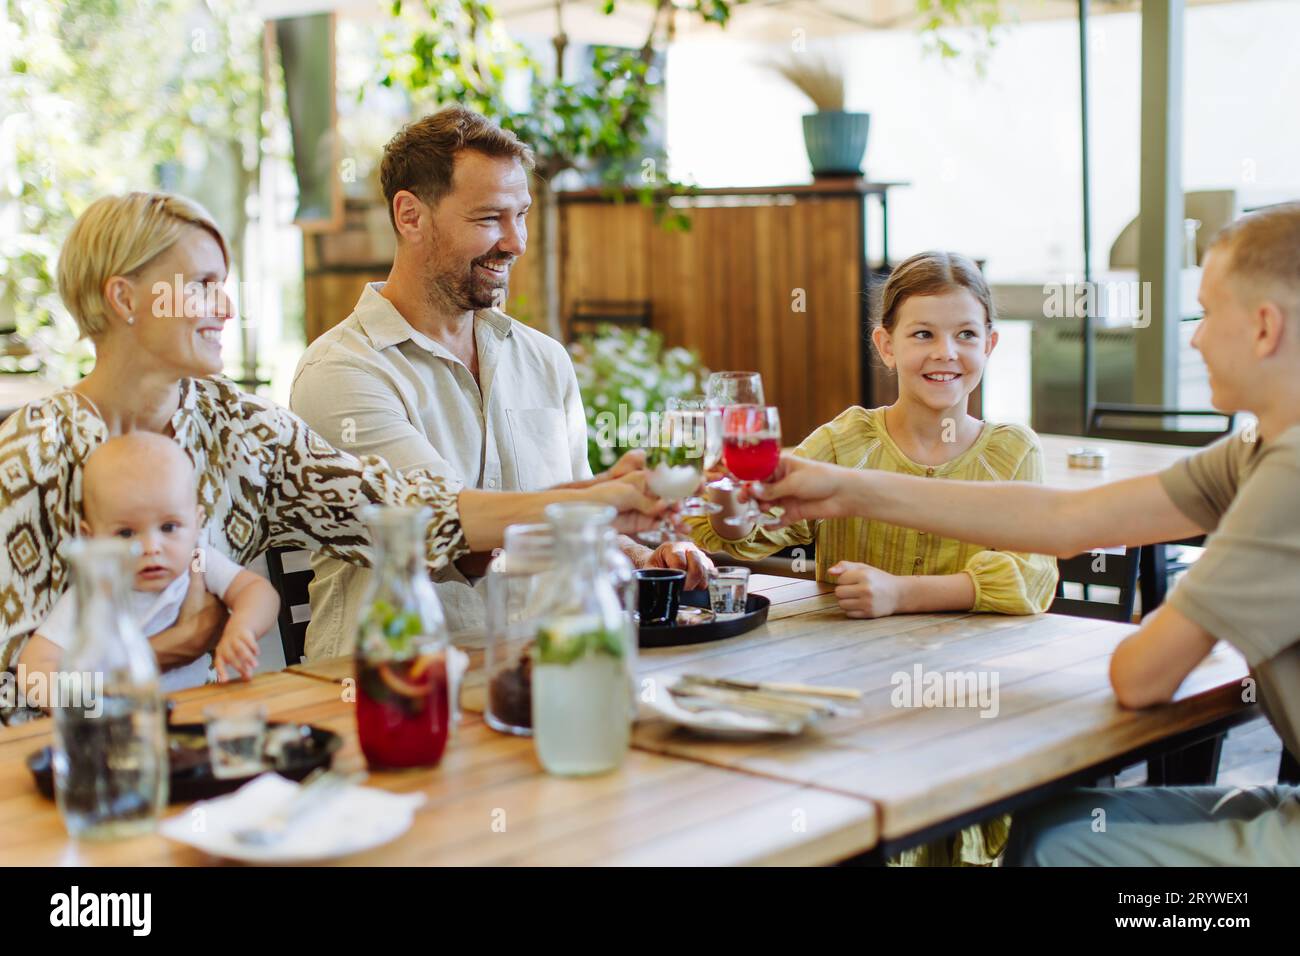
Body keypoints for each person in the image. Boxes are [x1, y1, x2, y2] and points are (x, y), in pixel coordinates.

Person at [752, 204, 1300, 865]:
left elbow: (1140, 675)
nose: (1194, 339)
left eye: (1208, 313)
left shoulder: (1288, 477)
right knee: (1050, 829)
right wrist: (846, 487)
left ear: (1265, 327)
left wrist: (1217, 590)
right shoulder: (1258, 451)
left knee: (1056, 845)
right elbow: (1065, 521)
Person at [0, 192, 664, 722]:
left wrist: (593, 500)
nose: (227, 308)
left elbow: (406, 512)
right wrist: (171, 649)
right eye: (203, 285)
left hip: (201, 747)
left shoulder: (242, 431)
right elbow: (14, 695)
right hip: (58, 775)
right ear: (124, 299)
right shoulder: (31, 453)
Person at [291, 106, 711, 655]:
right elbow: (451, 533)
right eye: (490, 219)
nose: (516, 242)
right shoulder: (343, 374)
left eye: (522, 215)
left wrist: (642, 555)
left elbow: (580, 530)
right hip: (395, 685)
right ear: (410, 216)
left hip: (540, 668)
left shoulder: (543, 360)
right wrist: (604, 497)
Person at [697, 251, 1057, 867]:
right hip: (848, 693)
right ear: (886, 346)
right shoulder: (846, 442)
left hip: (964, 699)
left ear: (990, 344)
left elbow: (1033, 576)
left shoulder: (1011, 450)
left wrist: (902, 593)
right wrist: (732, 506)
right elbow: (737, 537)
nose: (945, 352)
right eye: (923, 334)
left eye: (965, 335)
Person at [21, 433, 279, 690]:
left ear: (197, 524)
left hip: (193, 713)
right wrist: (82, 706)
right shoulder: (95, 594)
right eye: (125, 533)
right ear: (92, 538)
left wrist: (243, 627)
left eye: (168, 527)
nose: (151, 547)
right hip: (119, 721)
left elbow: (257, 591)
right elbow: (35, 664)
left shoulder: (197, 561)